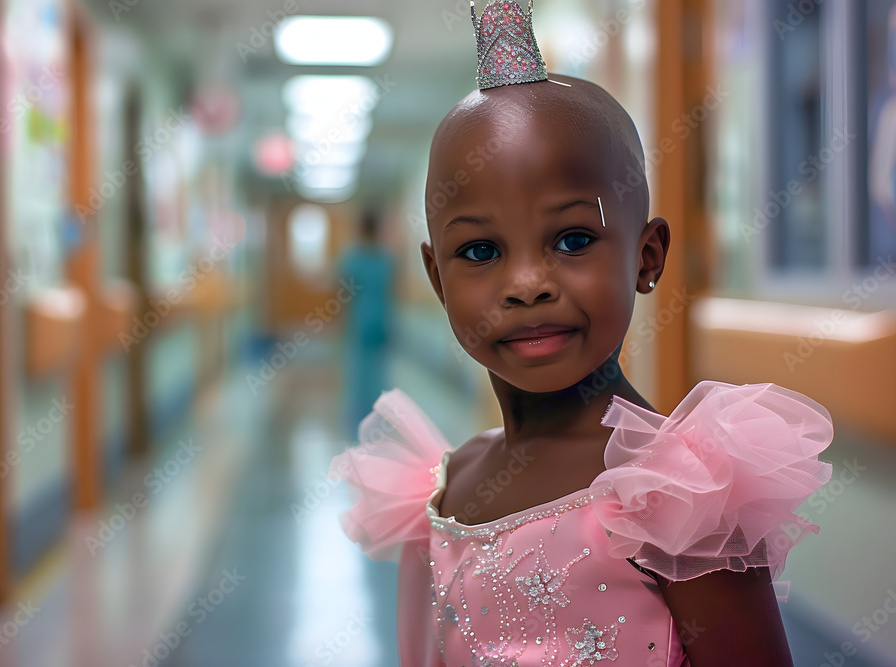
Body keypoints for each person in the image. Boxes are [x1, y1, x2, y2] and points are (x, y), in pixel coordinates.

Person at [330, 2, 833, 665]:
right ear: (436, 275)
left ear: (646, 256)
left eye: (573, 239)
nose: (527, 282)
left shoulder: (677, 495)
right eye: (481, 252)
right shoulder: (443, 484)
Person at [338, 211, 396, 438]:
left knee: (359, 371)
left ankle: (359, 424)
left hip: (360, 318)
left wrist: (340, 324)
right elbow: (391, 292)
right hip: (381, 317)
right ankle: (378, 419)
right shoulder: (386, 259)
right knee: (379, 370)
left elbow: (343, 295)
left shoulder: (352, 259)